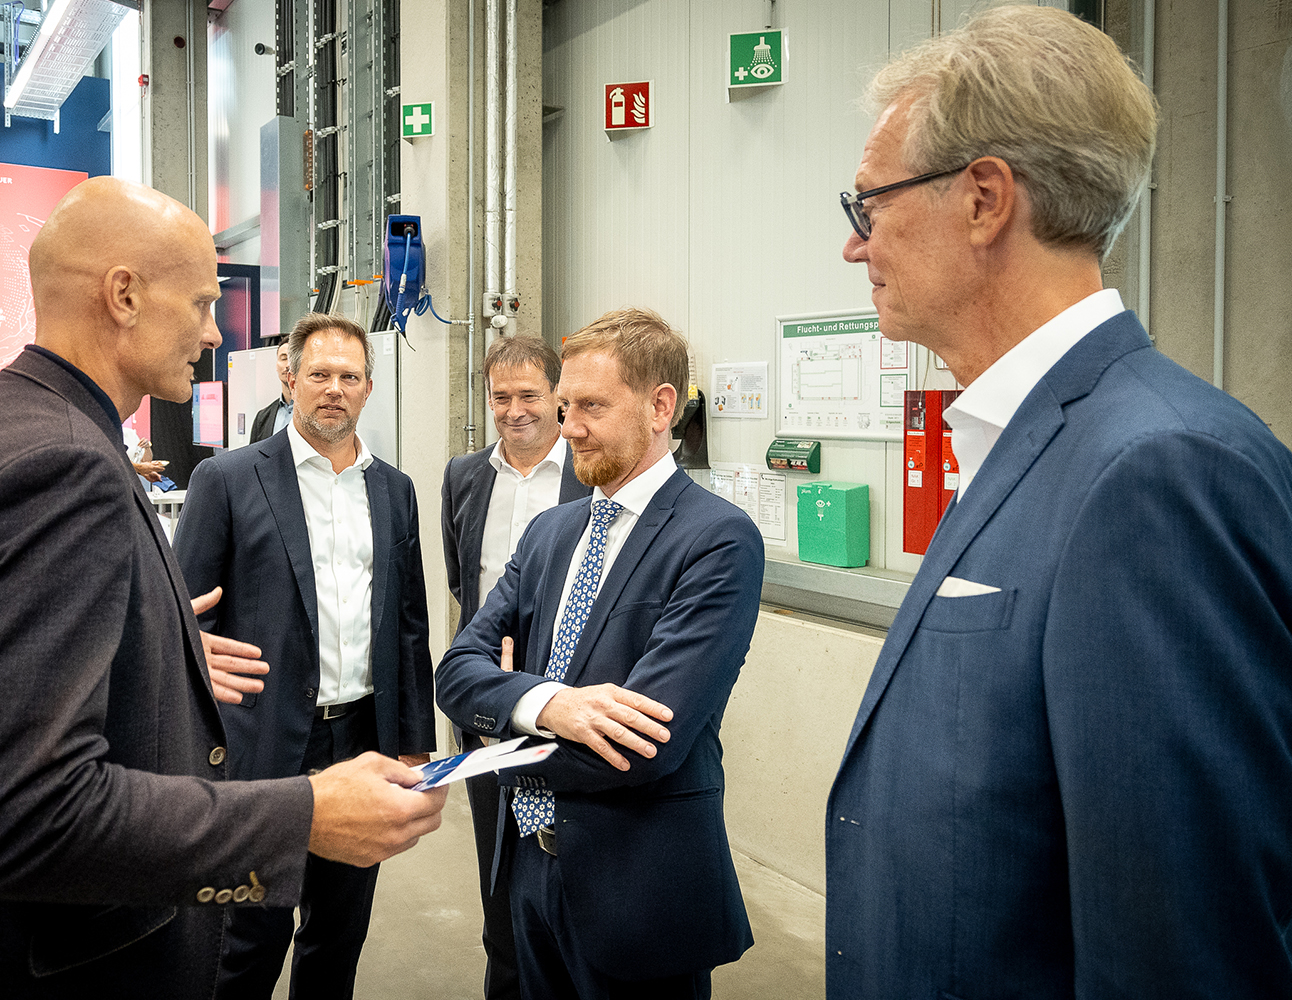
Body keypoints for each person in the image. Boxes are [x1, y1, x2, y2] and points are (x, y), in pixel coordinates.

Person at [0, 176, 447, 1000]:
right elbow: (11, 815)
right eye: (202, 303)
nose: (213, 335)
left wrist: (159, 663)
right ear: (125, 295)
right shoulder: (62, 468)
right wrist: (304, 814)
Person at [825, 6, 1292, 997]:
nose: (854, 249)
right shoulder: (1028, 441)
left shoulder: (1156, 473)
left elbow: (1181, 949)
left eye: (869, 208)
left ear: (986, 198)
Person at [436, 308, 762, 1000]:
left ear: (660, 407)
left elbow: (646, 744)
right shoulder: (553, 533)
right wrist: (551, 702)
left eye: (590, 406)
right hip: (526, 872)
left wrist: (497, 727)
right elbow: (457, 671)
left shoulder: (716, 540)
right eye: (565, 407)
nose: (568, 426)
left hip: (637, 887)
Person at [173, 312, 436, 999]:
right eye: (319, 374)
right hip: (258, 745)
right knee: (248, 936)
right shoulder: (227, 479)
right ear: (290, 379)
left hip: (361, 737)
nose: (333, 390)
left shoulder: (394, 489)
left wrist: (413, 739)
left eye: (350, 377)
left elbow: (409, 622)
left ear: (369, 389)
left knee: (339, 932)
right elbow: (181, 624)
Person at [439, 335, 590, 1000]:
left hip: (570, 707)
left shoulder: (589, 473)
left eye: (529, 395)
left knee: (572, 877)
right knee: (498, 881)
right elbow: (461, 580)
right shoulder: (464, 476)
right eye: (501, 396)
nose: (514, 409)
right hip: (488, 714)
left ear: (556, 400)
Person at [250, 335, 295, 443]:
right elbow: (255, 457)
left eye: (293, 358)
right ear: (276, 365)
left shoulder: (317, 413)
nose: (288, 365)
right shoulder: (262, 418)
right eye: (283, 358)